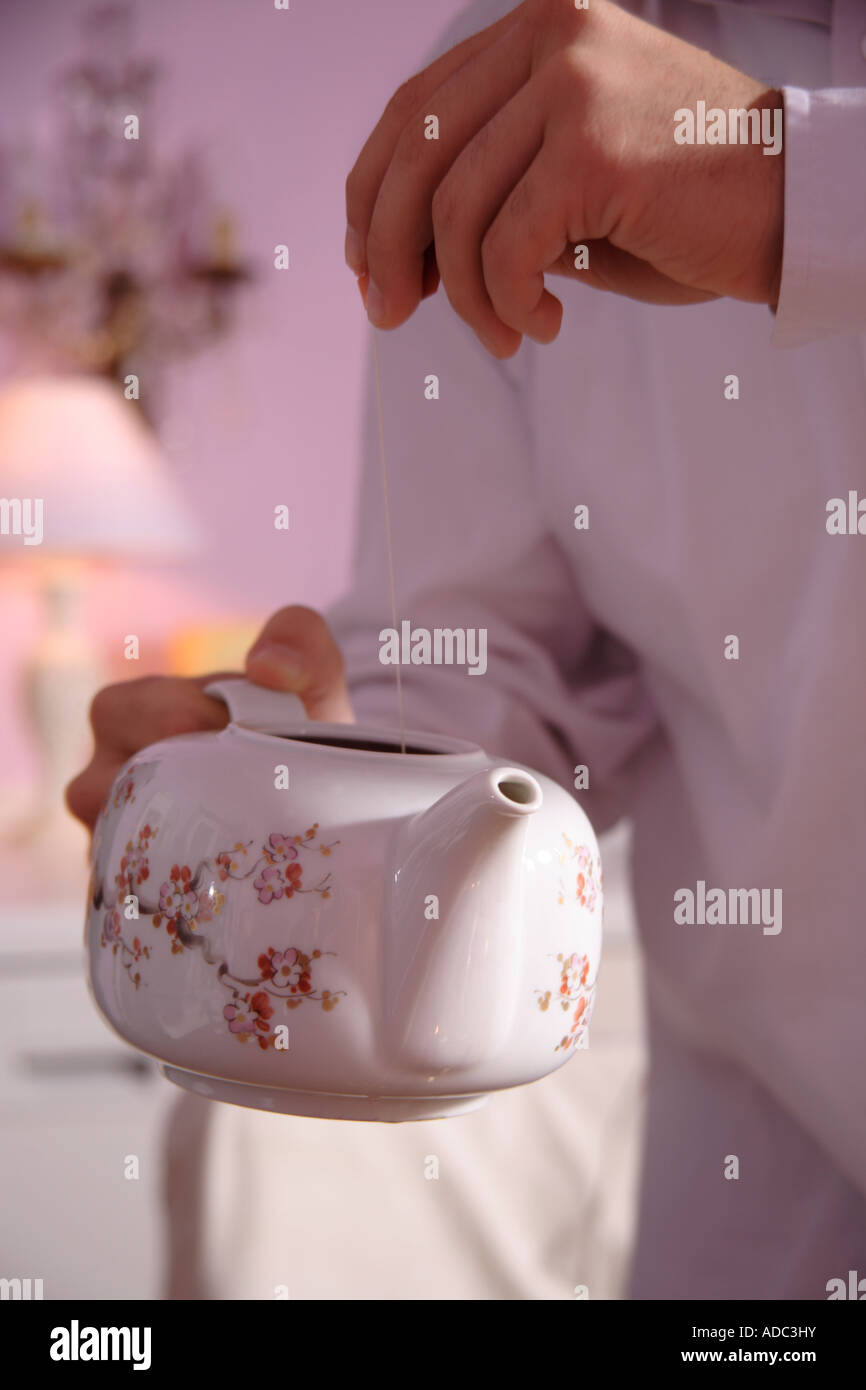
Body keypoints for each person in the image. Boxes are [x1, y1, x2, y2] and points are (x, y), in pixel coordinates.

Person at [67, 0, 866, 1299]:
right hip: (761, 1204)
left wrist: (797, 185)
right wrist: (303, 760)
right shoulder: (516, 95)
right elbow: (478, 669)